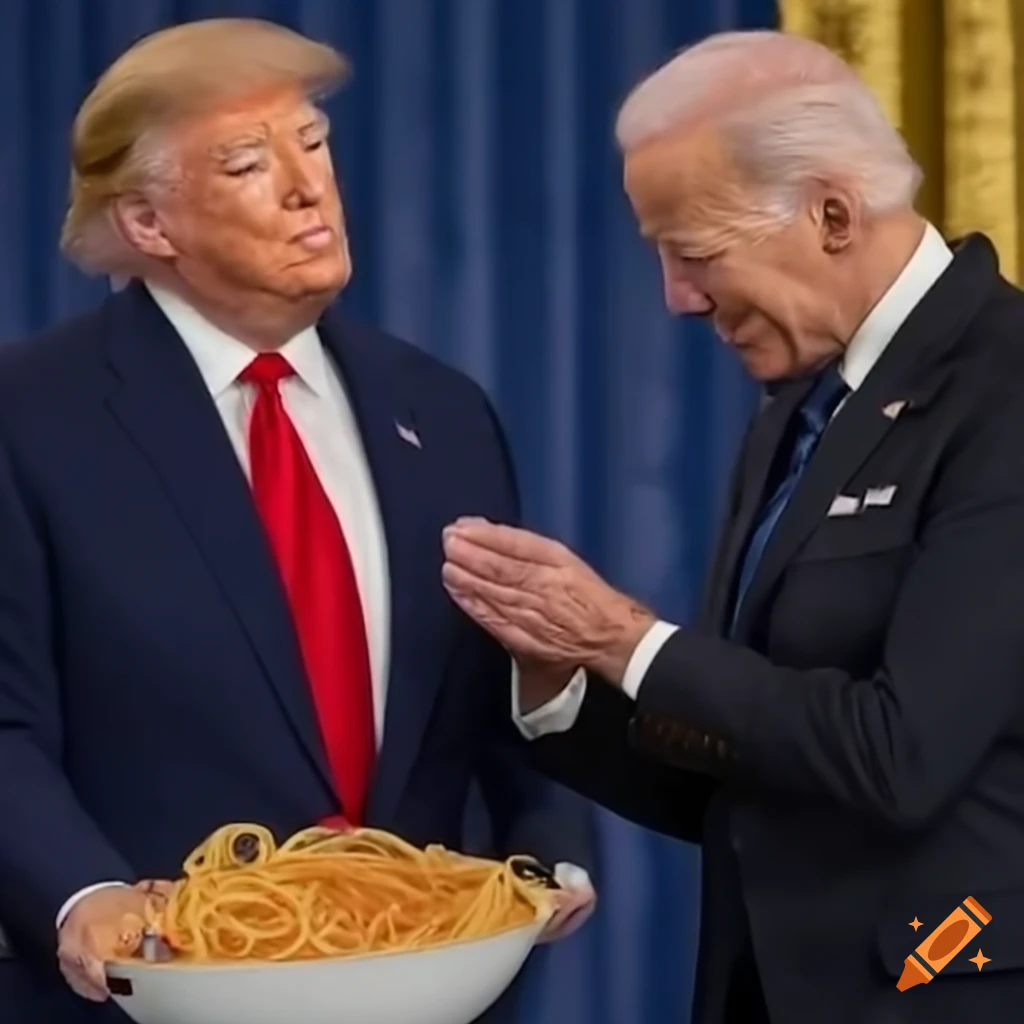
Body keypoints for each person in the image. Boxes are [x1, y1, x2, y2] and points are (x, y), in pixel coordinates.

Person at [0, 18, 594, 1024]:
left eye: (311, 144)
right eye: (246, 163)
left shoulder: (443, 412)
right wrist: (81, 893)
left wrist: (549, 850)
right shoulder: (30, 416)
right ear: (149, 224)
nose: (306, 186)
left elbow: (503, 695)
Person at [443, 29, 1024, 1024]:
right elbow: (741, 771)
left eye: (693, 252)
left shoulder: (1004, 389)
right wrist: (561, 687)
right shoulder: (797, 411)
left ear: (831, 213)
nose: (676, 298)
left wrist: (628, 642)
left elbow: (898, 758)